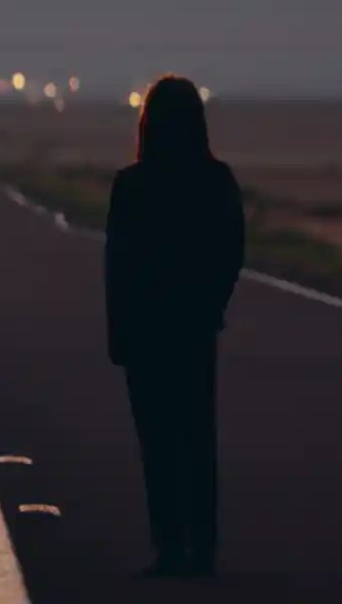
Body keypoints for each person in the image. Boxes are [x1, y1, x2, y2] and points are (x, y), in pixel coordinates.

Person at [104, 75, 245, 577]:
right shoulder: (217, 181)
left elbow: (117, 268)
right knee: (197, 437)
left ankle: (169, 547)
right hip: (194, 328)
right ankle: (202, 547)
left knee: (158, 441)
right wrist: (212, 304)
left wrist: (118, 333)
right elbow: (232, 250)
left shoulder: (131, 186)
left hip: (146, 331)